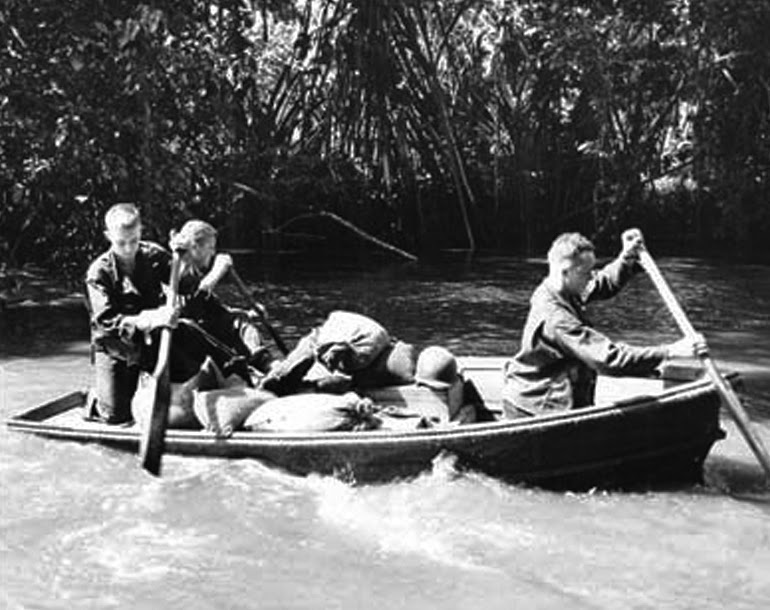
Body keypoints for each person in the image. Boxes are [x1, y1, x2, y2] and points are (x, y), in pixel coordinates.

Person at [502, 228, 702, 418]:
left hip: (549, 396)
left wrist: (627, 258)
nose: (591, 277)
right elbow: (608, 359)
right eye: (586, 272)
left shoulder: (563, 288)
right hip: (538, 405)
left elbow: (602, 283)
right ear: (565, 272)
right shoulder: (556, 317)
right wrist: (669, 351)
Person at [84, 203, 178, 424]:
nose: (128, 249)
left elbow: (186, 284)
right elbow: (107, 322)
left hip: (151, 341)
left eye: (134, 241)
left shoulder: (154, 255)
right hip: (114, 346)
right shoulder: (98, 272)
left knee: (176, 394)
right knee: (116, 416)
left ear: (141, 232)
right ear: (108, 236)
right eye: (121, 243)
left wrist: (182, 256)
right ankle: (96, 400)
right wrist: (150, 319)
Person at [169, 219, 272, 373]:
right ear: (195, 247)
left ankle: (265, 363)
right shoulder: (176, 267)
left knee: (239, 322)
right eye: (210, 247)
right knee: (193, 328)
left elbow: (215, 309)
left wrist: (249, 314)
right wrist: (218, 270)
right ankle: (242, 368)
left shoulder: (196, 271)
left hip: (203, 332)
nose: (213, 253)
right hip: (185, 338)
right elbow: (193, 304)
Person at [259, 310, 416, 396]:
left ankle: (277, 380)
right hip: (358, 348)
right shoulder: (330, 337)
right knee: (299, 361)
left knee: (304, 364)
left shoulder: (356, 353)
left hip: (355, 352)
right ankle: (277, 378)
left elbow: (343, 378)